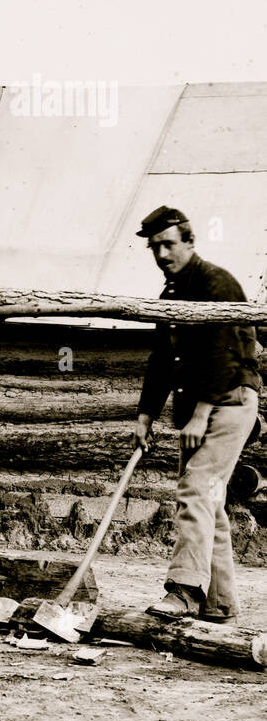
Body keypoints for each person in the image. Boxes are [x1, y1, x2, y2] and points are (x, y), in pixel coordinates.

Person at [132, 207, 261, 623]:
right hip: (199, 409)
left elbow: (227, 355)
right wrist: (146, 416)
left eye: (169, 244)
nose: (162, 254)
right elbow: (161, 361)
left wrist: (201, 414)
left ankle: (185, 591)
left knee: (196, 487)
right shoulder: (170, 297)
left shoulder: (216, 283)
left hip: (230, 402)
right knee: (210, 500)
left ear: (189, 241)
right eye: (155, 247)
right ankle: (219, 604)